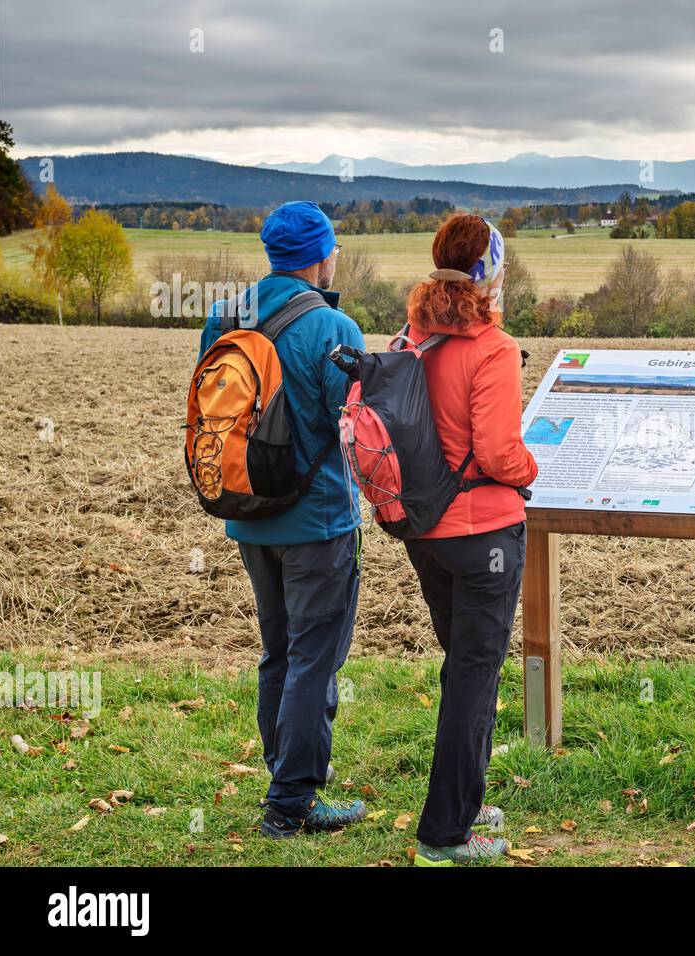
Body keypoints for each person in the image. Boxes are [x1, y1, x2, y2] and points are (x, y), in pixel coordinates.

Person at [198, 201, 368, 838]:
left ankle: (282, 776)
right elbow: (351, 426)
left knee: (279, 653)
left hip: (247, 514)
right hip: (318, 520)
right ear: (321, 255)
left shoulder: (225, 314)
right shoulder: (334, 328)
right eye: (335, 250)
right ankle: (291, 804)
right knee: (314, 659)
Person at [402, 214, 538, 865]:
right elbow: (499, 451)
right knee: (473, 679)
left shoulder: (411, 339)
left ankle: (470, 801)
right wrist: (533, 470)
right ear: (488, 274)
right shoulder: (494, 347)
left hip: (423, 531)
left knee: (463, 669)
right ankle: (444, 836)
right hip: (485, 535)